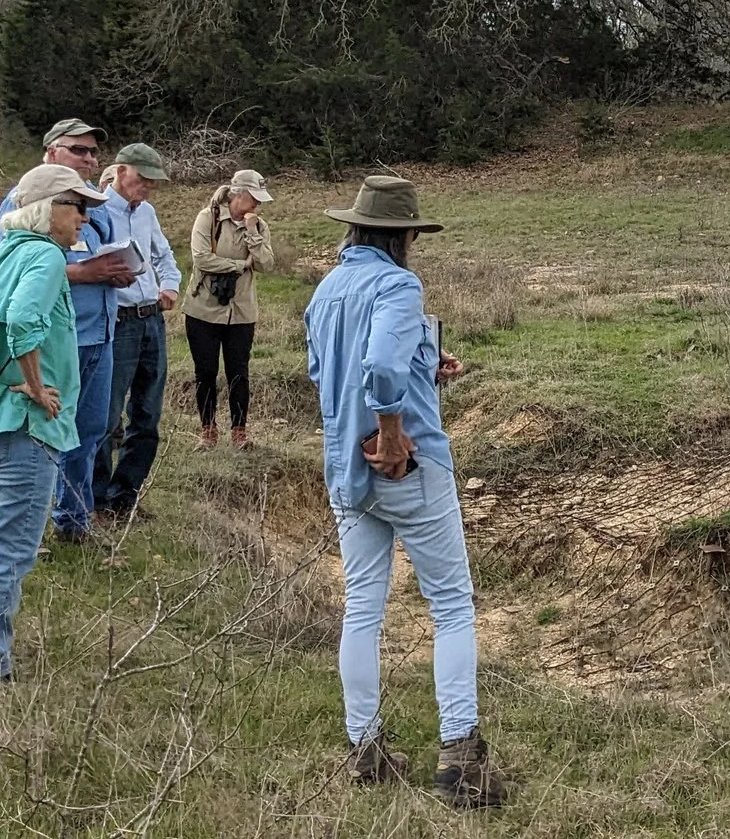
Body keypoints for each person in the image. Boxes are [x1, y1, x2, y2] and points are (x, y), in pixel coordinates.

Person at [305, 175, 510, 808]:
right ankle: (459, 758)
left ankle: (364, 747)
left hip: (345, 468)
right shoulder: (397, 284)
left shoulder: (328, 288)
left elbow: (326, 371)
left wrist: (425, 365)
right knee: (450, 603)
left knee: (363, 605)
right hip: (405, 465)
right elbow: (383, 368)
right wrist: (393, 430)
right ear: (404, 236)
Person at [0, 163, 101, 680]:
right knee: (8, 550)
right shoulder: (46, 257)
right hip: (26, 427)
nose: (84, 219)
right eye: (76, 207)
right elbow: (21, 318)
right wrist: (30, 382)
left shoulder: (0, 253)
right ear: (47, 210)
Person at [0, 119, 132, 547]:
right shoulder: (23, 202)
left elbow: (101, 255)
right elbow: (12, 269)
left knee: (92, 431)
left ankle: (74, 521)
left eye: (93, 153)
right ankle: (29, 528)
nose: (89, 160)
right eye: (78, 150)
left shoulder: (100, 204)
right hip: (58, 340)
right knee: (47, 429)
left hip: (102, 331)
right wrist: (86, 273)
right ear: (51, 152)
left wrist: (116, 272)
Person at [93, 143, 180, 518]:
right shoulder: (95, 209)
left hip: (151, 319)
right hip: (118, 318)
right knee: (107, 415)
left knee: (147, 414)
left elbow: (162, 253)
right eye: (141, 178)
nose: (146, 187)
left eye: (152, 181)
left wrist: (171, 284)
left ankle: (124, 497)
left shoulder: (147, 212)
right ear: (120, 171)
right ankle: (94, 500)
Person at [185, 170, 273, 450]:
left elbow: (267, 264)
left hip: (242, 312)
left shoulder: (259, 226)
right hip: (203, 309)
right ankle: (207, 431)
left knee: (239, 372)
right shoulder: (207, 218)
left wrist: (251, 233)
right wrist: (238, 266)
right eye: (254, 199)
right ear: (239, 195)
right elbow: (201, 258)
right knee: (205, 371)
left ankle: (239, 433)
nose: (258, 205)